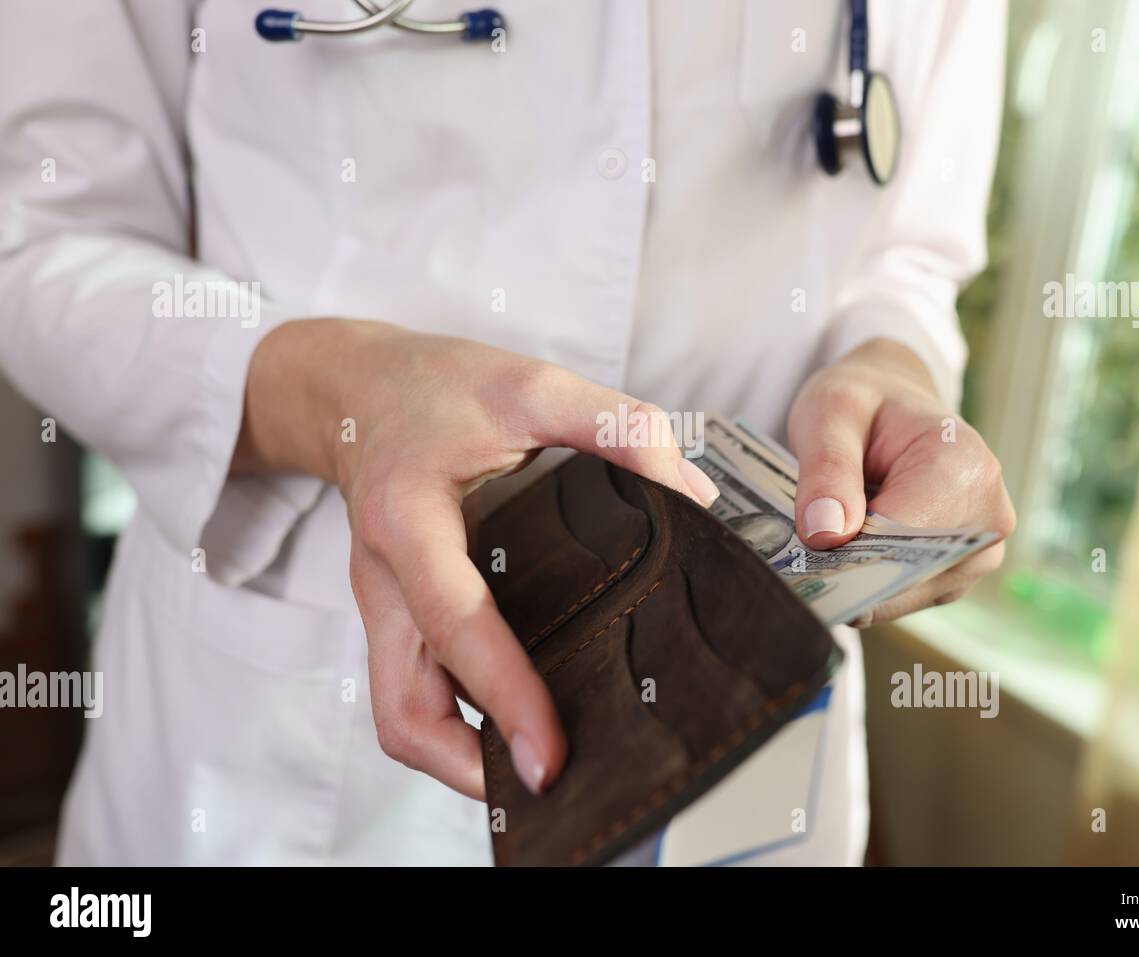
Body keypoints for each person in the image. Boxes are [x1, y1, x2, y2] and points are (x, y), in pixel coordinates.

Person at [0, 0, 1014, 865]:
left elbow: (909, 251)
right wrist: (343, 396)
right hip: (303, 720)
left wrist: (894, 366)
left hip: (746, 697)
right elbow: (43, 235)